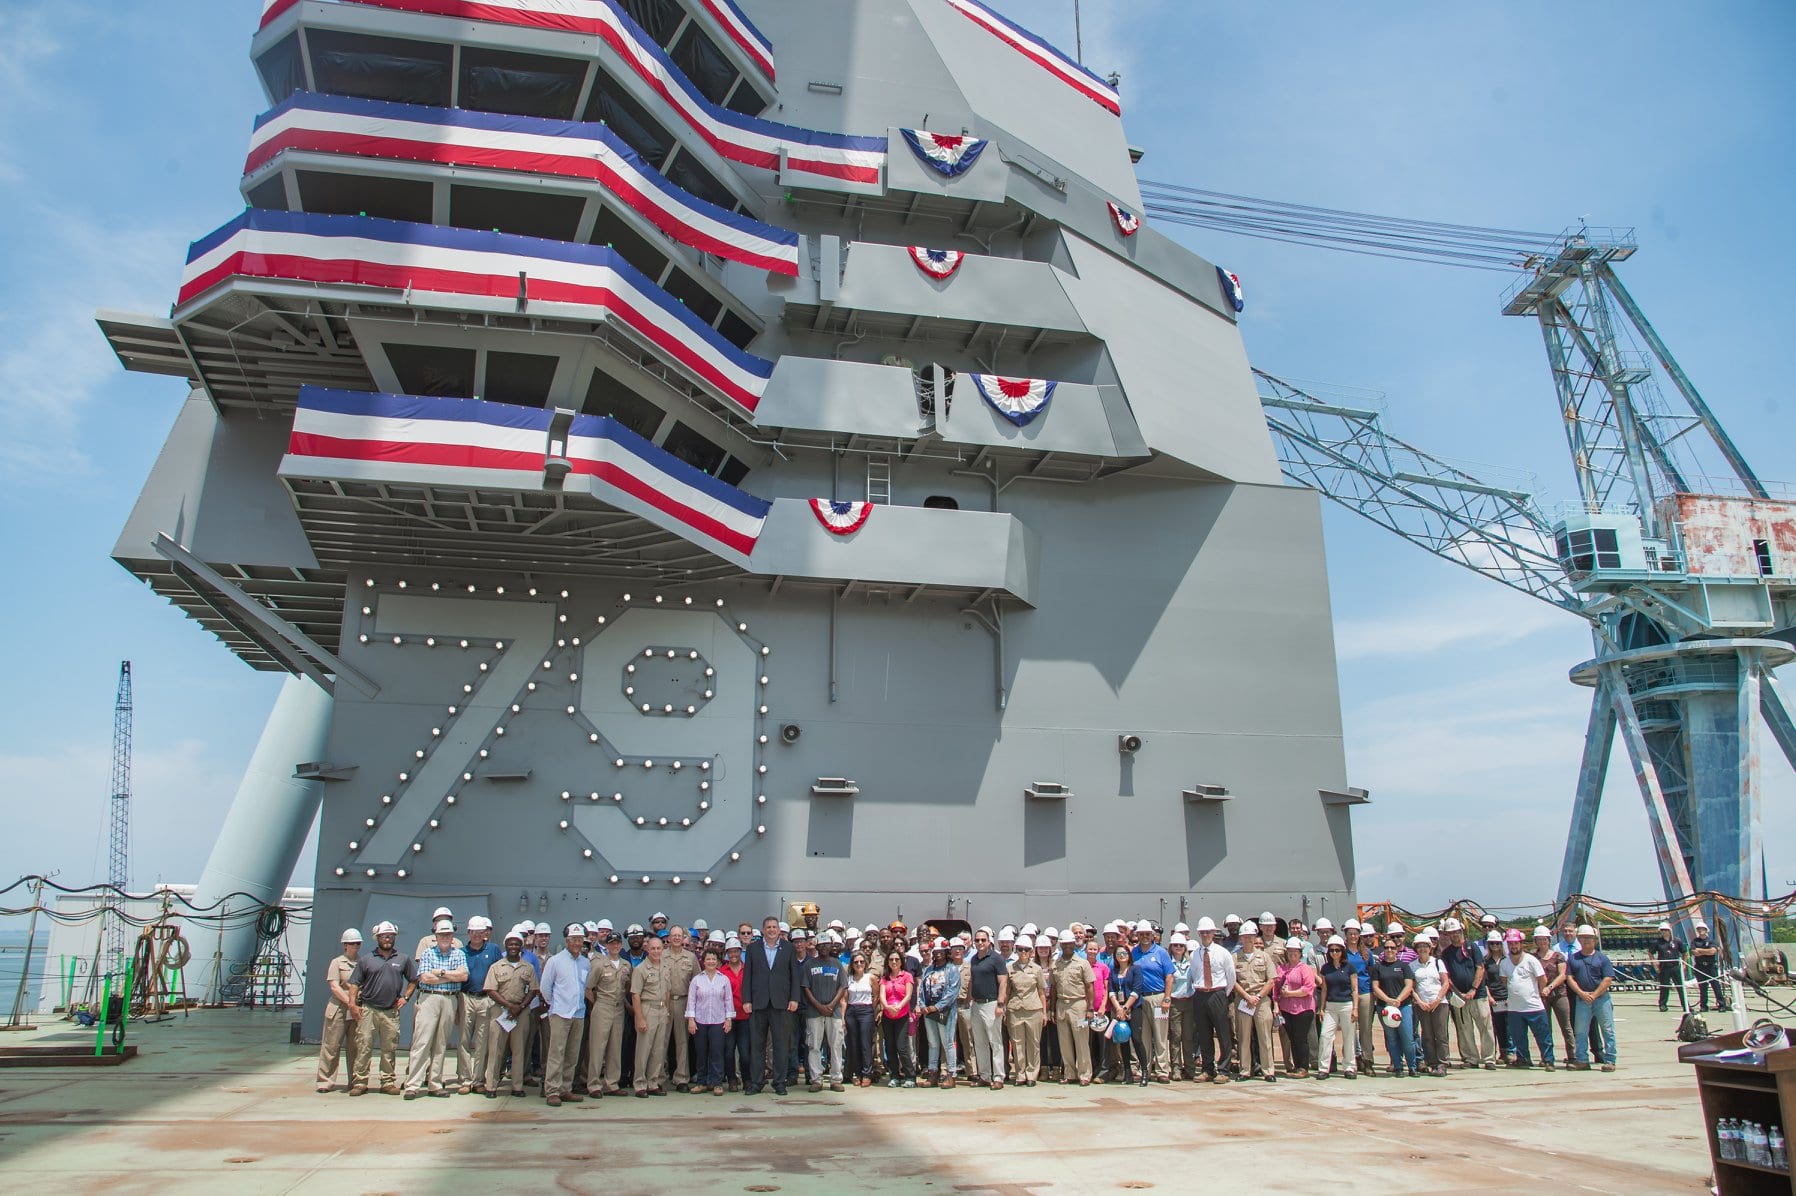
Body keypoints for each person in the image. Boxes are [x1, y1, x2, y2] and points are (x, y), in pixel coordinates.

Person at [348, 921, 416, 1097]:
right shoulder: (366, 960)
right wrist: (353, 1005)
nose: (387, 938)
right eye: (384, 936)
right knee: (364, 1046)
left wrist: (405, 997)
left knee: (389, 1048)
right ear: (377, 938)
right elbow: (354, 984)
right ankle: (360, 1082)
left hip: (390, 1011)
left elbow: (414, 980)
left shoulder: (403, 959)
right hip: (368, 1009)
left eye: (391, 936)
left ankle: (387, 1082)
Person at [405, 918, 469, 1099]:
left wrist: (439, 973)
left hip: (449, 1000)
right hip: (429, 998)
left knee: (441, 1043)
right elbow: (425, 978)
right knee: (422, 1042)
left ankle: (435, 1083)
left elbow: (463, 976)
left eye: (448, 934)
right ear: (436, 935)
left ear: (452, 935)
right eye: (442, 934)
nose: (445, 937)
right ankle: (413, 1085)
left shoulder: (458, 953)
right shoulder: (427, 953)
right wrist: (450, 976)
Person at [744, 915, 803, 1096]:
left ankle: (779, 1082)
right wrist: (747, 1000)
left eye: (774, 927)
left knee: (781, 1045)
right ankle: (756, 1082)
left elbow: (794, 975)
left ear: (779, 930)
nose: (771, 930)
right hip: (758, 1003)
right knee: (757, 1045)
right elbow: (748, 976)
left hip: (781, 1003)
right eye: (768, 927)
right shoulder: (753, 949)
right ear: (763, 931)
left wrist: (794, 998)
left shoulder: (788, 948)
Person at [540, 923, 591, 1106]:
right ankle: (552, 1090)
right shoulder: (555, 961)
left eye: (580, 940)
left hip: (578, 1013)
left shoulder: (585, 962)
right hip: (560, 1013)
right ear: (567, 940)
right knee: (556, 1053)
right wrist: (554, 1004)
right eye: (574, 940)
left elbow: (584, 987)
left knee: (572, 1054)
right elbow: (545, 987)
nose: (577, 943)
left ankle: (565, 1089)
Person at [482, 929, 537, 1097]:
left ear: (521, 946)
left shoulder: (527, 967)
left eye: (516, 944)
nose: (513, 946)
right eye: (510, 943)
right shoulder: (496, 966)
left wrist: (519, 1007)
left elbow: (533, 990)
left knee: (519, 1050)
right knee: (496, 1049)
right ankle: (491, 1086)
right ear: (505, 945)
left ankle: (517, 1086)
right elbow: (491, 989)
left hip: (521, 1012)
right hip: (500, 1012)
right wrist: (508, 1006)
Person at [1439, 918, 1495, 1070]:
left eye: (1456, 932)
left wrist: (1473, 989)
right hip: (1460, 997)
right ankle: (1471, 1058)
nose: (1454, 935)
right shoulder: (1447, 953)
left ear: (1461, 931)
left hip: (1478, 994)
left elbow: (1480, 968)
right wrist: (1458, 993)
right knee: (1464, 1028)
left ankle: (1489, 1058)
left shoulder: (1472, 947)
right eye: (1451, 933)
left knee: (1485, 1026)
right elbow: (1447, 976)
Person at [1186, 918, 1235, 1084]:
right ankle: (1208, 1069)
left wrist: (1222, 995)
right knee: (1204, 1034)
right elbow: (1193, 975)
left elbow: (1231, 977)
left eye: (1208, 932)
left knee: (1223, 1033)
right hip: (1200, 995)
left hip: (1218, 994)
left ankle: (1224, 1070)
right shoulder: (1194, 955)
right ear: (1199, 934)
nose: (1205, 935)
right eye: (1203, 932)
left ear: (1214, 933)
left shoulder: (1223, 953)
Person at [584, 927, 631, 1097]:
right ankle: (594, 1085)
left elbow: (627, 986)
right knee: (598, 1047)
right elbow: (588, 989)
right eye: (612, 943)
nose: (615, 946)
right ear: (607, 945)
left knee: (615, 1047)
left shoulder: (626, 965)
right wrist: (598, 1003)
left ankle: (612, 1083)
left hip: (618, 1008)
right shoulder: (599, 964)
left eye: (618, 943)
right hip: (603, 1006)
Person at [456, 915, 500, 1095]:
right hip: (465, 997)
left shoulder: (493, 949)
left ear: (485, 933)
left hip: (487, 999)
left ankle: (478, 1080)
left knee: (483, 1042)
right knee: (463, 1040)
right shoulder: (461, 952)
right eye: (473, 932)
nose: (476, 935)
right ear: (468, 932)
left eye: (479, 932)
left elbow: (499, 973)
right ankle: (465, 1080)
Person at [1566, 924, 1618, 1072]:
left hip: (1601, 999)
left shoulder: (1602, 959)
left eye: (1589, 938)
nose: (1586, 940)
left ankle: (1610, 1060)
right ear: (1579, 940)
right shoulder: (1573, 959)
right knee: (1580, 1031)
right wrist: (1581, 993)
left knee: (1607, 1030)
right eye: (1583, 938)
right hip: (1582, 999)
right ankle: (1582, 1060)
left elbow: (1608, 979)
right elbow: (1570, 978)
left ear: (1594, 940)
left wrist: (1594, 995)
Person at [802, 930, 849, 1092]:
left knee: (836, 1046)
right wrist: (819, 1006)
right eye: (820, 945)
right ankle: (816, 1079)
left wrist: (831, 1005)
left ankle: (836, 1079)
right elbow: (806, 988)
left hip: (834, 1012)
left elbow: (843, 986)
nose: (823, 948)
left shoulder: (837, 964)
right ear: (816, 946)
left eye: (826, 945)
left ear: (831, 946)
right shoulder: (809, 965)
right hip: (814, 1012)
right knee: (814, 1046)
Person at [1500, 929, 1553, 1070]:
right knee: (1518, 1037)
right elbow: (1504, 981)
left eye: (1516, 943)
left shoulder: (1531, 960)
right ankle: (1523, 1059)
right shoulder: (1504, 963)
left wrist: (1538, 992)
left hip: (1533, 1006)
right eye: (1510, 944)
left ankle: (1548, 1060)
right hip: (1514, 1008)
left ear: (1521, 943)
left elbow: (1542, 979)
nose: (1513, 947)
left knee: (1542, 1035)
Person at [317, 928, 362, 1093]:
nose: (355, 946)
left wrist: (355, 1004)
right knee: (331, 1046)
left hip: (356, 1009)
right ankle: (325, 1082)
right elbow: (334, 986)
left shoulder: (362, 963)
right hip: (338, 1009)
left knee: (355, 1047)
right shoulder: (337, 963)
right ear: (345, 945)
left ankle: (355, 1081)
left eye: (357, 943)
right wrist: (350, 1002)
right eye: (351, 944)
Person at [1127, 920, 1174, 1082]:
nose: (1145, 937)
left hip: (1158, 997)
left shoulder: (1161, 953)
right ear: (1137, 936)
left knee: (1160, 1036)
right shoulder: (1134, 953)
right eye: (1141, 934)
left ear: (1153, 936)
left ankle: (1162, 1071)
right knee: (1143, 1036)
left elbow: (1169, 976)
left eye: (1147, 934)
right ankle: (1145, 1068)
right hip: (1140, 1000)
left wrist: (1167, 998)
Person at [1232, 922, 1278, 1082]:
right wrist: (1247, 996)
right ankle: (1245, 1070)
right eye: (1245, 937)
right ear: (1241, 938)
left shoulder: (1264, 956)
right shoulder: (1235, 957)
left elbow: (1271, 979)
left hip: (1262, 1001)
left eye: (1251, 937)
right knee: (1244, 1037)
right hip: (1244, 1000)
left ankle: (1268, 1070)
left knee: (1265, 1036)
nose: (1248, 940)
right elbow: (1233, 981)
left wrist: (1258, 996)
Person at [1049, 930, 1096, 1085]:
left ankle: (1084, 1074)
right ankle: (1070, 1074)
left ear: (1074, 944)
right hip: (1062, 1004)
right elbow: (1054, 987)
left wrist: (1090, 1008)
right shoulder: (1055, 964)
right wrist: (1053, 1009)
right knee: (1065, 1042)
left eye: (1070, 944)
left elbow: (1089, 986)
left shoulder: (1082, 963)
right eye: (1065, 944)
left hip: (1078, 1005)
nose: (1067, 946)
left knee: (1081, 1041)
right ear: (1061, 945)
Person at [631, 933, 674, 1097]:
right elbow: (635, 995)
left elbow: (668, 991)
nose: (656, 951)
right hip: (647, 1009)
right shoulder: (640, 969)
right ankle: (640, 1084)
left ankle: (653, 1082)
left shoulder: (665, 967)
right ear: (647, 949)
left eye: (659, 948)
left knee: (659, 1049)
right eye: (653, 949)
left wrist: (667, 1011)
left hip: (662, 1009)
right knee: (644, 1049)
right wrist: (640, 1018)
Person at [687, 947, 734, 1095]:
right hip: (700, 1021)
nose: (711, 962)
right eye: (708, 959)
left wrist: (728, 1019)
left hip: (718, 1021)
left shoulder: (723, 979)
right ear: (703, 961)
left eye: (714, 959)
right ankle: (701, 1082)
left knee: (717, 1052)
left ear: (718, 961)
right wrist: (691, 1020)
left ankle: (717, 1083)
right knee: (701, 1052)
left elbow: (728, 1000)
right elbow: (691, 1001)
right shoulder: (697, 979)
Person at [968, 926, 1010, 1090]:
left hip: (992, 1004)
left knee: (995, 1042)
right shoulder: (974, 959)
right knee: (979, 1042)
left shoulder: (997, 959)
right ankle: (985, 1076)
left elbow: (1003, 983)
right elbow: (972, 980)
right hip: (977, 1004)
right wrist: (970, 1000)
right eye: (977, 940)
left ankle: (999, 1077)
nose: (980, 943)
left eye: (983, 940)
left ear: (989, 942)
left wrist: (1000, 1004)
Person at [1370, 936, 1417, 1078]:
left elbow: (1409, 985)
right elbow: (1375, 987)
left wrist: (1398, 999)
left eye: (1392, 947)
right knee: (1391, 1039)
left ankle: (1412, 1066)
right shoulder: (1378, 967)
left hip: (1403, 1006)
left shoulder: (1404, 966)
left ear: (1396, 950)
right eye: (1387, 948)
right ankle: (1398, 1067)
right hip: (1384, 1007)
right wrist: (1387, 1000)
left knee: (1408, 1038)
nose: (1389, 950)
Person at [917, 939, 962, 1087]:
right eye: (935, 952)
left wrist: (937, 1007)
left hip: (945, 1012)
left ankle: (951, 1075)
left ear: (946, 953)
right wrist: (923, 1005)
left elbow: (952, 992)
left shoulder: (952, 969)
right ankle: (932, 1074)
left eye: (941, 952)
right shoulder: (929, 970)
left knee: (948, 1042)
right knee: (933, 1043)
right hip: (929, 1012)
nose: (938, 955)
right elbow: (922, 989)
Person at [1273, 937, 1320, 1078]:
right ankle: (1296, 1065)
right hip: (1286, 1009)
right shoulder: (1281, 969)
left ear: (1300, 953)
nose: (1293, 954)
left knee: (1301, 1038)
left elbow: (1308, 989)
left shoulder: (1305, 969)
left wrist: (1289, 993)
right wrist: (1277, 1004)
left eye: (1296, 952)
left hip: (1303, 1009)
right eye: (1290, 951)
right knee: (1292, 1038)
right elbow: (1275, 988)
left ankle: (1303, 1067)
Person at [660, 925, 699, 1092]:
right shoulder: (660, 955)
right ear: (668, 938)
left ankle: (681, 1077)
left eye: (679, 935)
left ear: (683, 938)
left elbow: (698, 983)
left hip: (683, 1002)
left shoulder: (690, 957)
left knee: (682, 1042)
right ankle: (658, 1077)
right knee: (661, 1041)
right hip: (663, 1002)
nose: (676, 938)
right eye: (673, 935)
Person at [1006, 934, 1047, 1086]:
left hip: (1034, 1009)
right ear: (1016, 950)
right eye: (1020, 949)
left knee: (1033, 1043)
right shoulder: (1010, 968)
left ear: (1031, 952)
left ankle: (1032, 1075)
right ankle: (1020, 1074)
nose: (1023, 953)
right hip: (1015, 1009)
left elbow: (1042, 992)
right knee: (1017, 1043)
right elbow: (1008, 991)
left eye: (1026, 950)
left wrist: (1044, 1013)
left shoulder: (1036, 969)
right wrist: (1004, 1009)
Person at [1106, 946, 1149, 1086]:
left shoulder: (1135, 969)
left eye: (1124, 953)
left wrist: (1126, 1008)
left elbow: (1137, 990)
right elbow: (1111, 992)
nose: (1122, 955)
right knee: (1122, 1039)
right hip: (1119, 1009)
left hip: (1134, 1008)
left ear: (1129, 955)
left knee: (1136, 1039)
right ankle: (1127, 1072)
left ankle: (1144, 1071)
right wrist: (1119, 1009)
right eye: (1119, 954)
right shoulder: (1114, 972)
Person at [1409, 932, 1450, 1077]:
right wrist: (1419, 1001)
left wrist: (1437, 999)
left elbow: (1445, 982)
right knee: (1427, 1035)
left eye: (1425, 946)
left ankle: (1442, 1063)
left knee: (1441, 1034)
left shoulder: (1438, 962)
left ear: (1430, 947)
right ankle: (1432, 1063)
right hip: (1422, 1005)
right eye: (1419, 947)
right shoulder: (1412, 966)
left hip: (1439, 1003)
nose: (1422, 949)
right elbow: (1411, 987)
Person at [1316, 935, 1357, 1079]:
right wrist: (1321, 1008)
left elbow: (1354, 989)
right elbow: (1324, 989)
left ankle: (1349, 1067)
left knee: (1349, 1037)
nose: (1334, 953)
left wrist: (1355, 1008)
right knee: (1325, 1036)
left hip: (1347, 1005)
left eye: (1337, 950)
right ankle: (1323, 1068)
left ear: (1342, 951)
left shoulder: (1350, 967)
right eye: (1332, 950)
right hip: (1331, 1006)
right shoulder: (1325, 968)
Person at [1533, 925, 1576, 1063]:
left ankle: (1572, 1055)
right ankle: (1547, 1057)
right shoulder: (1532, 957)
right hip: (1541, 997)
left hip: (1559, 995)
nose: (1542, 942)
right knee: (1545, 1028)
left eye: (1544, 939)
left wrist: (1549, 987)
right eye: (1539, 939)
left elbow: (1563, 975)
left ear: (1548, 940)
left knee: (1566, 1026)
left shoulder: (1558, 956)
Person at [1342, 920, 1377, 1075]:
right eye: (1350, 933)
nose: (1353, 936)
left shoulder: (1366, 953)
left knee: (1365, 1029)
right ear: (1346, 935)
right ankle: (1352, 1059)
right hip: (1347, 994)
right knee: (1349, 1029)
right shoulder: (1342, 952)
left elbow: (1371, 972)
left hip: (1364, 992)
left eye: (1356, 933)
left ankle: (1368, 1060)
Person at [880, 950, 917, 1088]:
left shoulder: (907, 976)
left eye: (896, 959)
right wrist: (888, 1007)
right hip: (887, 1016)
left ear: (901, 961)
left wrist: (899, 1007)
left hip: (902, 1016)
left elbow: (908, 995)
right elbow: (882, 996)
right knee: (890, 1047)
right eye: (891, 960)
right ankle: (894, 1076)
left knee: (902, 1047)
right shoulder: (885, 978)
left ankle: (910, 1076)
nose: (894, 962)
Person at [1164, 933, 1195, 1081]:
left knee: (1188, 1037)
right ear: (1171, 947)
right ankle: (1176, 1068)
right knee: (1176, 1036)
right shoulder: (1168, 963)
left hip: (1189, 1001)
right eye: (1175, 945)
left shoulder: (1191, 963)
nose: (1178, 948)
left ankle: (1189, 1068)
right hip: (1175, 1002)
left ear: (1185, 948)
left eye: (1181, 946)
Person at [843, 951, 877, 1087]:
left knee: (865, 1043)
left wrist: (871, 1010)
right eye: (856, 962)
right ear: (852, 964)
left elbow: (876, 995)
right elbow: (844, 999)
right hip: (851, 1011)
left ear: (866, 963)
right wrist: (843, 1017)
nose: (859, 964)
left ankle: (867, 1073)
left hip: (866, 1011)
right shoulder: (848, 978)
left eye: (861, 962)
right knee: (853, 1043)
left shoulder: (870, 978)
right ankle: (856, 1073)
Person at [1083, 940, 1114, 1081]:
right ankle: (1091, 1070)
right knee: (1089, 1043)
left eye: (1095, 949)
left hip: (1101, 1011)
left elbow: (1107, 988)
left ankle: (1103, 1072)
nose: (1092, 951)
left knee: (1103, 1044)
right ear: (1085, 950)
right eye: (1090, 949)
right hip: (1085, 1012)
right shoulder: (1081, 967)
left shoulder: (1103, 967)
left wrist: (1103, 1006)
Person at [721, 937, 750, 1091]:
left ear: (740, 952)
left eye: (736, 951)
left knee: (745, 1052)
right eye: (731, 951)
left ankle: (746, 1079)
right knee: (729, 1051)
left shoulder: (748, 969)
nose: (733, 954)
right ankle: (732, 1079)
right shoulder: (722, 972)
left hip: (745, 1017)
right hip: (728, 1018)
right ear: (727, 953)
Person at [1691, 921, 1728, 1013]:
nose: (1700, 931)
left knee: (1716, 986)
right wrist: (1705, 951)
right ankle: (1703, 1006)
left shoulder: (1711, 941)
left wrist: (1700, 950)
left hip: (1711, 966)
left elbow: (1713, 951)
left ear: (1706, 930)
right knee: (1702, 987)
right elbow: (1694, 952)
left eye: (1702, 929)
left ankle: (1721, 1005)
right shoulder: (1694, 941)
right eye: (1699, 929)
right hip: (1700, 966)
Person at [1651, 922, 1688, 1013]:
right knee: (1664, 986)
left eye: (1665, 930)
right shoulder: (1657, 942)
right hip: (1664, 967)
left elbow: (1684, 952)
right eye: (1662, 930)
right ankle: (1663, 1005)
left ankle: (1685, 1005)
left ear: (1669, 931)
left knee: (1680, 986)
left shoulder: (1677, 941)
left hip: (1675, 966)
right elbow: (1650, 953)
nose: (1664, 932)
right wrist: (1655, 964)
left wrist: (1684, 964)